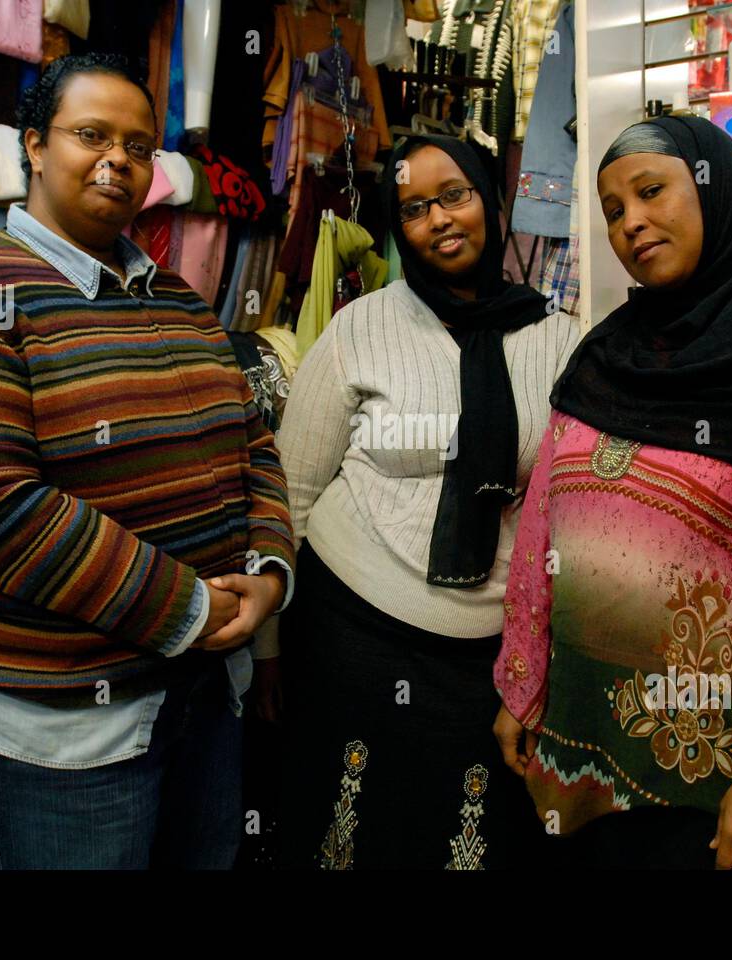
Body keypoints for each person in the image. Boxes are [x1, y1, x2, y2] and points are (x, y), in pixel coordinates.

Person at [0, 53, 295, 869]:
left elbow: (253, 444)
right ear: (34, 146)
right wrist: (186, 610)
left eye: (139, 146)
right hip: (62, 726)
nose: (118, 160)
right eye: (90, 135)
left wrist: (270, 568)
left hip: (203, 694)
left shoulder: (175, 297)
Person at [492, 115, 732, 870]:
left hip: (726, 790)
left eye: (651, 192)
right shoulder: (605, 357)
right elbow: (541, 530)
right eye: (613, 210)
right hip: (584, 758)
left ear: (720, 194)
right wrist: (522, 679)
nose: (632, 221)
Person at [274, 134, 580, 869]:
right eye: (414, 208)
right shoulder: (360, 328)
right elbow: (292, 493)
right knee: (348, 833)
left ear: (489, 201)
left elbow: (569, 514)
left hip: (489, 654)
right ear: (397, 227)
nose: (439, 219)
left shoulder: (560, 340)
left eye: (456, 195)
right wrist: (268, 651)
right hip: (349, 635)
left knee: (467, 836)